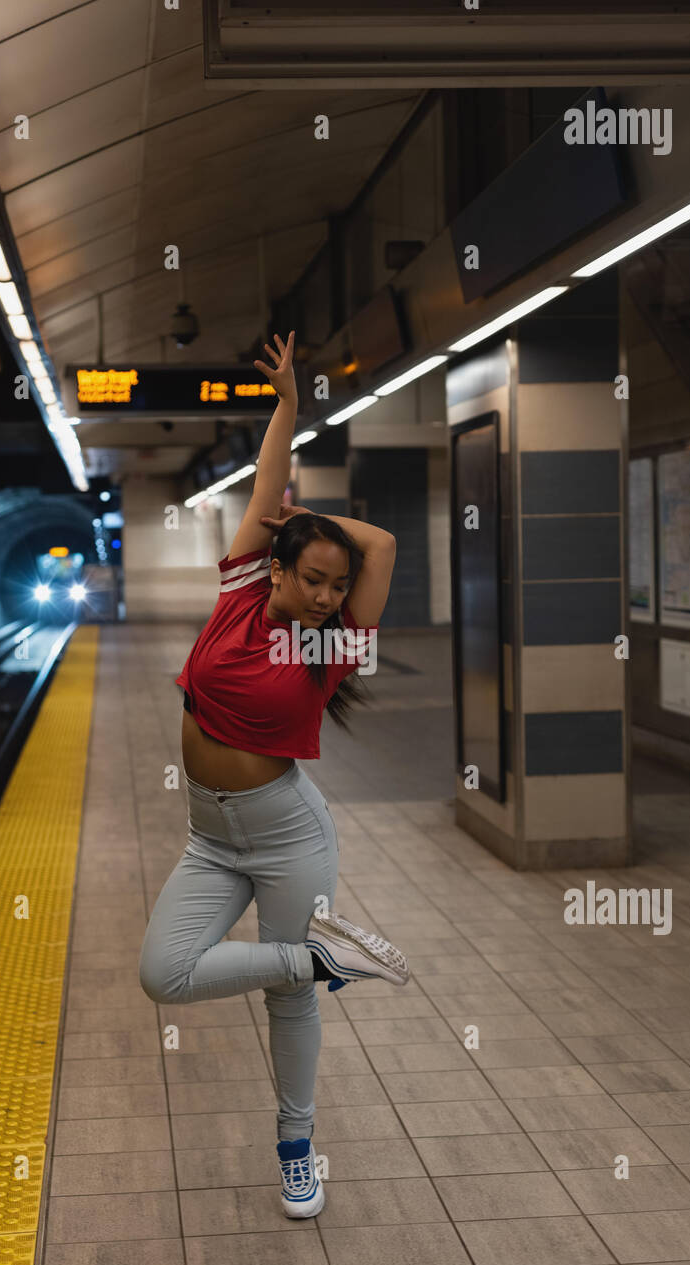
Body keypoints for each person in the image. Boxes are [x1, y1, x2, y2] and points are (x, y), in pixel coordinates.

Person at [138, 330, 409, 1219]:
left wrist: (318, 530)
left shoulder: (328, 647)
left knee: (289, 1005)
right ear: (279, 570)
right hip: (211, 838)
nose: (332, 595)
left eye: (338, 583)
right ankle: (325, 956)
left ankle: (297, 1151)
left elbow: (385, 545)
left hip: (289, 835)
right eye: (316, 578)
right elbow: (265, 485)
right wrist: (288, 405)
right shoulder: (240, 588)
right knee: (163, 972)